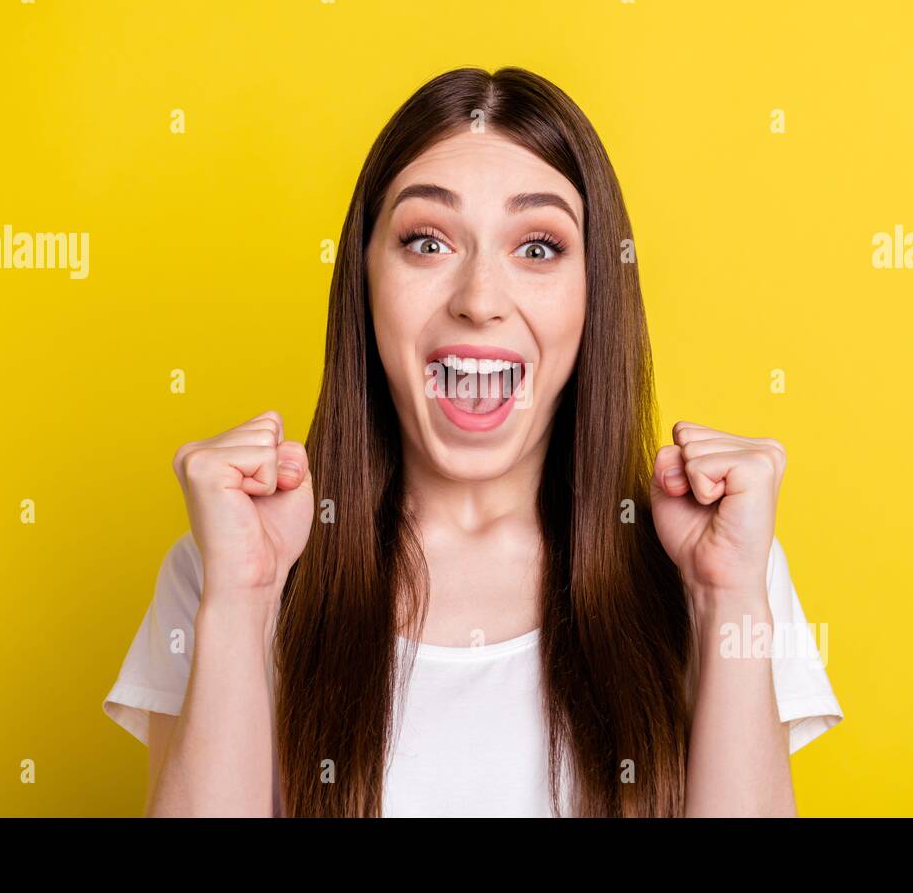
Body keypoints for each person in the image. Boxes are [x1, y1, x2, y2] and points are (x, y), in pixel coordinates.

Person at [104, 66, 843, 817]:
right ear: (362, 282)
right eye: (427, 242)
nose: (480, 301)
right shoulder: (223, 567)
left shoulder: (723, 569)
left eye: (539, 247)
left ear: (597, 291)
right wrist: (243, 598)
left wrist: (726, 597)